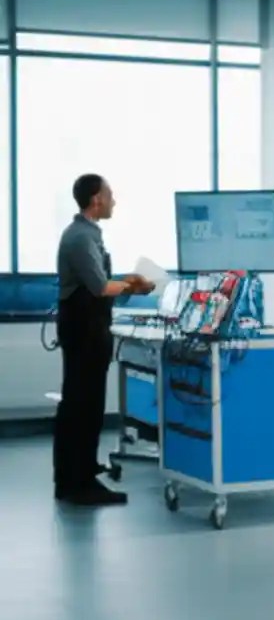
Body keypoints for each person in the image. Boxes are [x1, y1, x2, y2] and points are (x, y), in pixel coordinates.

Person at [53, 174, 154, 506]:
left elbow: (99, 281)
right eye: (110, 195)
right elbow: (99, 286)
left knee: (84, 402)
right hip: (84, 329)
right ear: (96, 199)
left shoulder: (87, 234)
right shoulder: (81, 238)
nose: (114, 200)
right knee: (83, 404)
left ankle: (79, 469)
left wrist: (123, 283)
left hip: (89, 327)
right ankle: (77, 483)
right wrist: (133, 286)